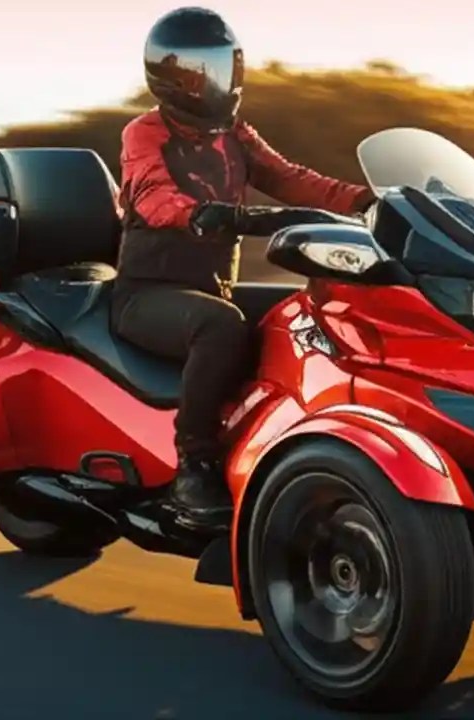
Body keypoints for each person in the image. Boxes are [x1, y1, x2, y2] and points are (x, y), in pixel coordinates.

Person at [114, 6, 375, 529]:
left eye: (223, 66)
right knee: (221, 325)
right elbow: (151, 194)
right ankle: (195, 464)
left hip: (214, 287)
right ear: (171, 78)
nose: (216, 80)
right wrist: (212, 215)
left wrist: (371, 201)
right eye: (200, 70)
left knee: (306, 309)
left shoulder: (233, 134)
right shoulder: (144, 133)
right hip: (146, 296)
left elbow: (295, 179)